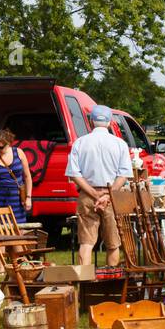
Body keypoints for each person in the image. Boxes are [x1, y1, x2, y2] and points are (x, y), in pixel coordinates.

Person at [64, 105, 133, 266]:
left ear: (90, 121)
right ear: (109, 122)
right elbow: (123, 175)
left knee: (86, 243)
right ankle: (110, 283)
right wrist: (107, 195)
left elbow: (74, 174)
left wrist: (94, 195)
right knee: (113, 243)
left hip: (87, 196)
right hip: (112, 198)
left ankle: (85, 283)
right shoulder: (119, 143)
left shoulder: (80, 143)